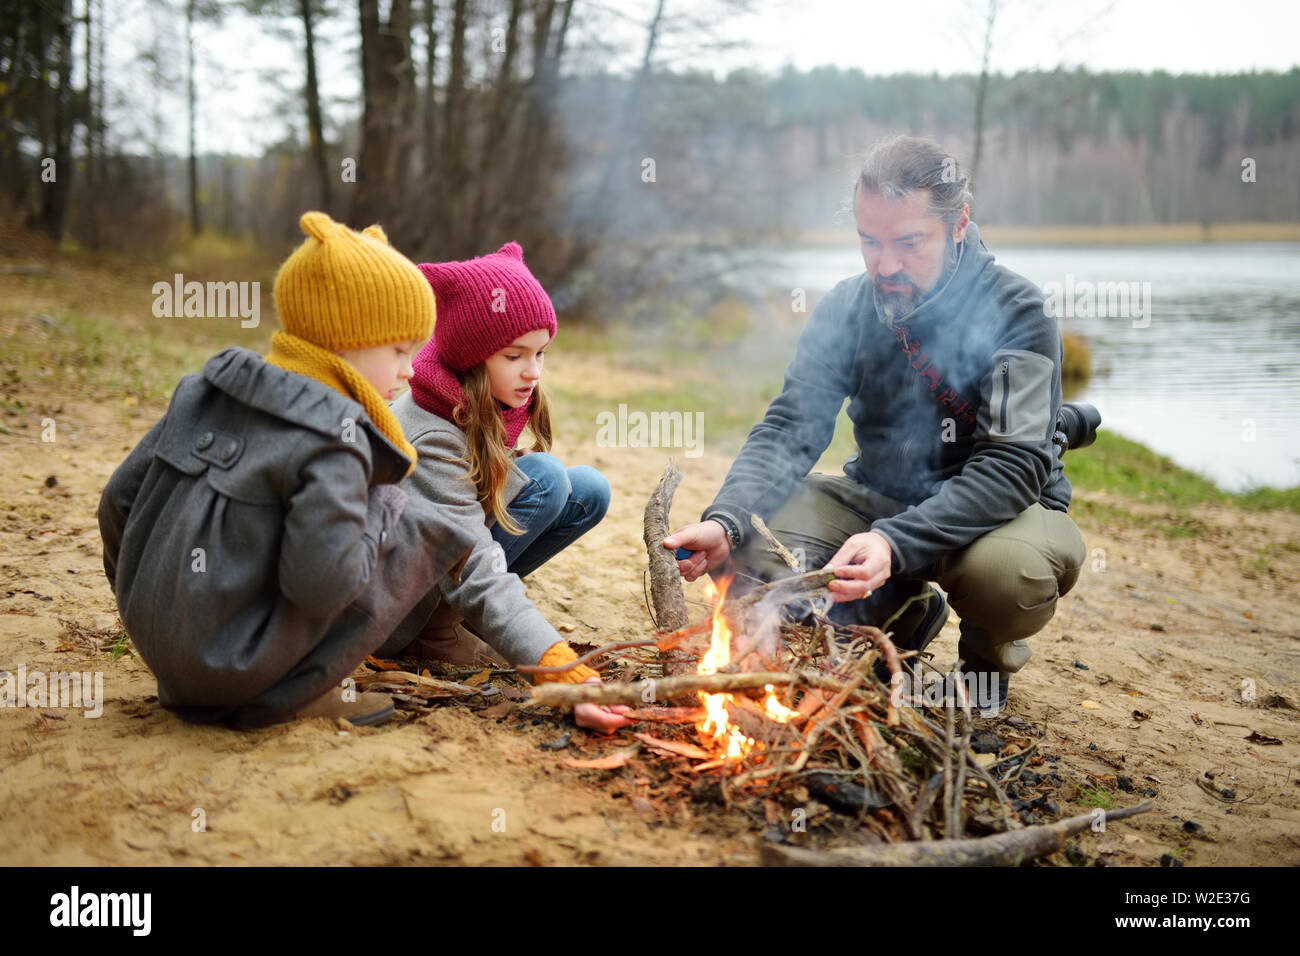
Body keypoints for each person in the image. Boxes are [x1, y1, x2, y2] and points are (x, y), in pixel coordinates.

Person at [664, 135, 1087, 715]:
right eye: (870, 242)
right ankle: (903, 614)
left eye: (909, 243)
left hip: (995, 516)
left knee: (1007, 576)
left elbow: (1012, 468)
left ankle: (985, 668)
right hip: (878, 497)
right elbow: (791, 427)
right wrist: (726, 520)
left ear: (958, 223)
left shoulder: (1019, 312)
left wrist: (896, 541)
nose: (885, 265)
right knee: (749, 545)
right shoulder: (846, 308)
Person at [98, 212, 477, 729]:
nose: (411, 369)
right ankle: (296, 691)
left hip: (162, 647)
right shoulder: (336, 437)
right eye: (400, 349)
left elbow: (118, 502)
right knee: (413, 521)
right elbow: (323, 587)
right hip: (238, 670)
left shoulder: (207, 389)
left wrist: (148, 602)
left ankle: (236, 671)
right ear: (346, 338)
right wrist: (382, 506)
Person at [384, 241, 630, 734]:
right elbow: (470, 556)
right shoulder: (431, 428)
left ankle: (481, 619)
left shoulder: (481, 397)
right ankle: (436, 633)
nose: (533, 371)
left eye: (540, 353)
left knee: (587, 488)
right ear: (473, 359)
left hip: (441, 559)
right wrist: (558, 668)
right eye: (515, 355)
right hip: (398, 607)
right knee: (548, 479)